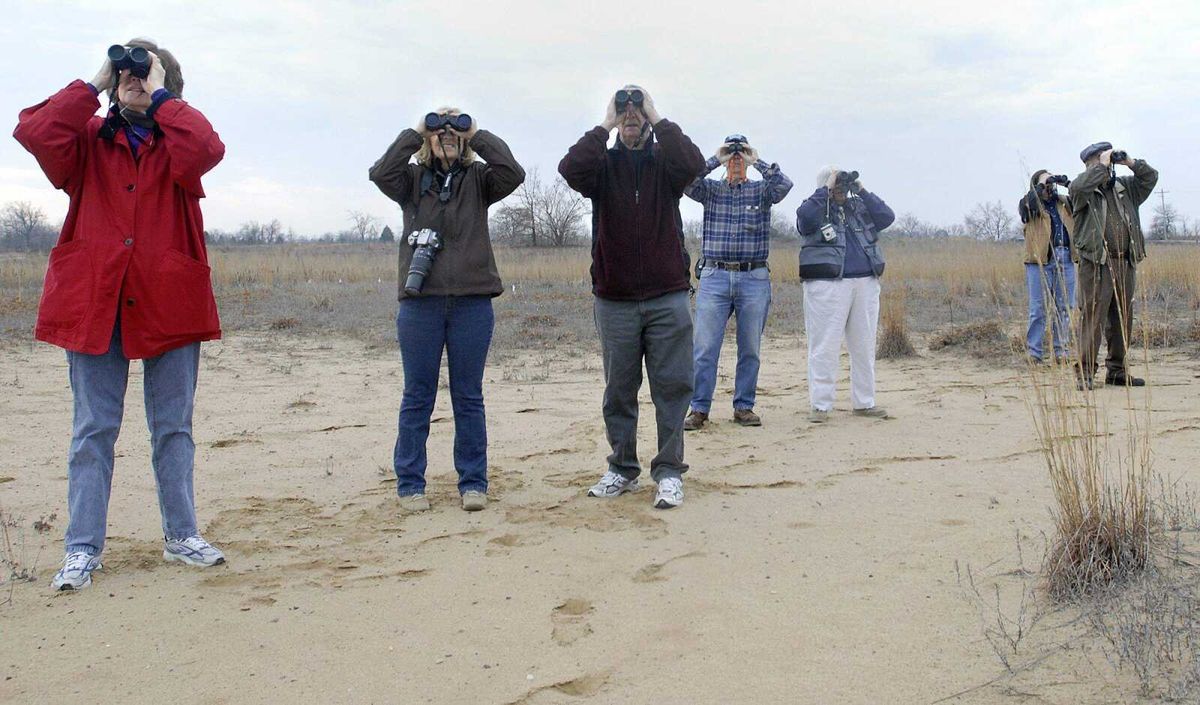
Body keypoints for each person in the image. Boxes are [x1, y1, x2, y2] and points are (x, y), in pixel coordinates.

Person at [13, 38, 226, 591]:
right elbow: (35, 132)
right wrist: (94, 81)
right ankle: (82, 549)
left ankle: (182, 535)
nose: (133, 78)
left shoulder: (177, 140)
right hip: (96, 298)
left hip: (167, 298)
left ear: (164, 85)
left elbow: (207, 148)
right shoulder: (87, 140)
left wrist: (158, 97)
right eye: (126, 71)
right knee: (93, 430)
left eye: (144, 72)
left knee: (172, 427)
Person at [369, 108, 524, 512]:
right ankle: (409, 484)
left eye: (456, 132)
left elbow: (513, 172)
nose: (448, 135)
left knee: (468, 396)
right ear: (429, 140)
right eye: (441, 131)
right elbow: (381, 172)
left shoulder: (479, 181)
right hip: (421, 305)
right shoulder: (411, 181)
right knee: (417, 395)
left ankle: (473, 483)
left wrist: (478, 133)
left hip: (472, 302)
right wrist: (417, 130)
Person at [559, 85, 704, 509]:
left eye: (635, 110)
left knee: (672, 388)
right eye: (624, 111)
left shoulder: (665, 164)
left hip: (667, 297)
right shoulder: (601, 167)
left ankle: (669, 472)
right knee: (619, 390)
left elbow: (693, 164)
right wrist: (604, 123)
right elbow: (570, 169)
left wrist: (656, 116)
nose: (630, 116)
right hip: (615, 297)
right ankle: (622, 468)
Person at [683, 135, 792, 430]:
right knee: (705, 347)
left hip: (753, 276)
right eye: (732, 156)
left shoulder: (760, 191)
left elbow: (784, 186)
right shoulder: (711, 190)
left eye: (739, 156)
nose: (735, 159)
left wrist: (757, 160)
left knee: (750, 347)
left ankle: (744, 407)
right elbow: (686, 183)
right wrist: (714, 159)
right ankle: (699, 408)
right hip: (715, 275)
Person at [795, 167, 895, 424]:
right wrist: (825, 190)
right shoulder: (814, 209)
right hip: (827, 283)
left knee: (864, 344)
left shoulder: (857, 206)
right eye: (836, 186)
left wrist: (860, 188)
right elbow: (804, 219)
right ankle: (821, 404)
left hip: (865, 281)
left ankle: (864, 402)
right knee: (824, 345)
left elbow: (886, 217)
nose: (841, 190)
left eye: (842, 186)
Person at [1068, 143, 1158, 389]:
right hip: (1096, 264)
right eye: (1100, 160)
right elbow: (1078, 187)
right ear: (1089, 166)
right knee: (1092, 318)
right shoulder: (1082, 191)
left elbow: (1150, 178)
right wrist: (1101, 167)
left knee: (1122, 319)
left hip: (1124, 261)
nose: (1107, 164)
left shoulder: (1125, 188)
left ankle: (1117, 371)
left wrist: (1130, 162)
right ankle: (1085, 373)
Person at [1018, 170, 1077, 364]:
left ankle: (1061, 352)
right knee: (1039, 308)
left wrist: (1066, 182)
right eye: (1045, 182)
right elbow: (1025, 207)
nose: (1050, 185)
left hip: (1065, 258)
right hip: (1039, 261)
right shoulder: (1031, 205)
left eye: (1051, 181)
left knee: (1064, 306)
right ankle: (1035, 353)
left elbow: (1081, 198)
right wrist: (1040, 186)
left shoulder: (1064, 202)